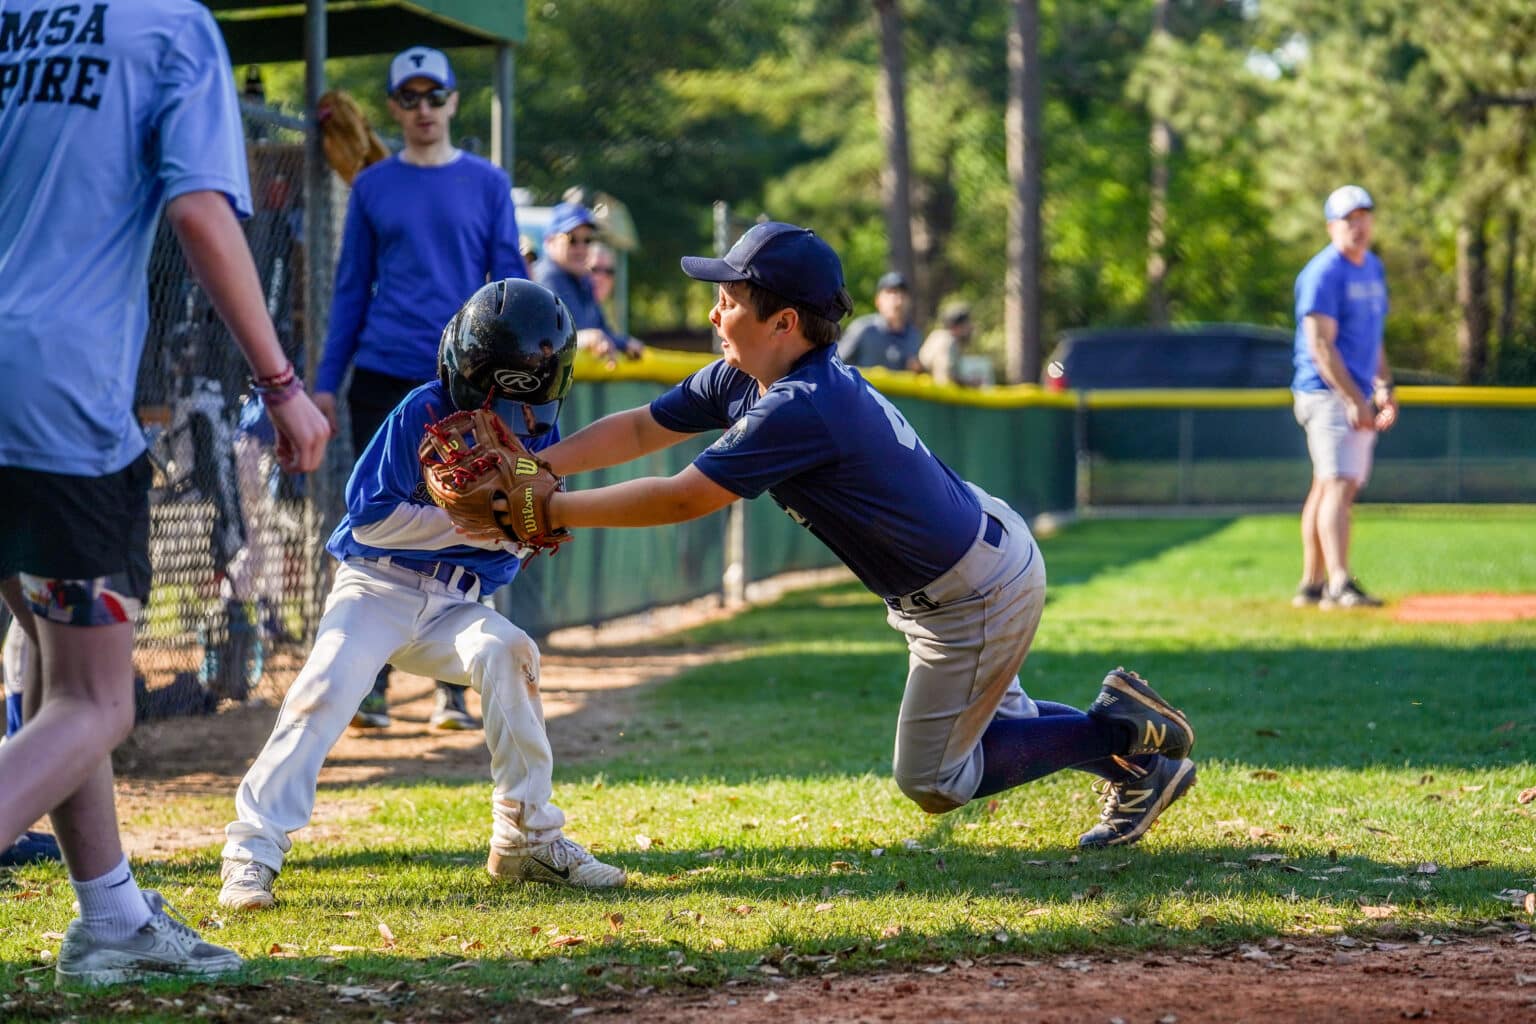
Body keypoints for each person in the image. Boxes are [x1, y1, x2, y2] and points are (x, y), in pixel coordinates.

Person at [537, 222, 1197, 850]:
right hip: (973, 559)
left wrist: (552, 510)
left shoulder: (800, 405)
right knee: (1002, 729)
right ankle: (1141, 769)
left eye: (729, 300)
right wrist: (541, 468)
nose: (714, 314)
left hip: (973, 592)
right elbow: (638, 430)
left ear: (785, 323)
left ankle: (1125, 732)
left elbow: (684, 496)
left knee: (935, 779)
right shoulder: (748, 377)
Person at [0, 0, 330, 985]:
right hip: (54, 396)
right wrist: (282, 385)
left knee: (63, 677)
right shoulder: (171, 28)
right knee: (100, 700)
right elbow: (199, 212)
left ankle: (112, 919)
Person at [218, 280, 625, 911]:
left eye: (524, 403)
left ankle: (528, 837)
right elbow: (368, 518)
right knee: (322, 690)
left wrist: (515, 519)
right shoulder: (422, 409)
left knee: (509, 651)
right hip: (375, 586)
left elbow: (514, 545)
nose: (512, 418)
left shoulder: (541, 429)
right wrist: (475, 516)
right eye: (494, 393)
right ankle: (251, 852)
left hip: (456, 605)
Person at [314, 46, 529, 731]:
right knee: (381, 520)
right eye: (409, 98)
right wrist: (324, 382)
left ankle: (453, 687)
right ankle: (369, 683)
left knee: (468, 508)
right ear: (394, 109)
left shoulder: (487, 182)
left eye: (435, 95)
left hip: (463, 378)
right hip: (383, 369)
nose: (424, 109)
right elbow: (351, 290)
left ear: (455, 101)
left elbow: (508, 277)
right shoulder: (375, 186)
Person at [1291, 185, 1398, 609]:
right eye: (1348, 219)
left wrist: (1384, 386)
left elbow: (1374, 339)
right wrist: (1354, 397)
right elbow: (1320, 347)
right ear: (1331, 226)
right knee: (1339, 484)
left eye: (1363, 216)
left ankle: (1311, 584)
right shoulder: (1323, 273)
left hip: (1354, 390)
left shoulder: (1371, 267)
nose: (1358, 226)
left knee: (1326, 486)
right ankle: (1338, 583)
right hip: (1326, 392)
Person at [533, 202, 644, 362]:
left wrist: (623, 343)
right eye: (572, 240)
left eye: (587, 240)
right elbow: (546, 342)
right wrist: (588, 338)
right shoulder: (544, 279)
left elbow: (601, 330)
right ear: (550, 241)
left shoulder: (581, 279)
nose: (581, 248)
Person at [837, 271, 922, 371]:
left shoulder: (914, 336)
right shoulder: (863, 329)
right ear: (878, 300)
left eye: (902, 295)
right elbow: (836, 363)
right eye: (890, 293)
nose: (898, 301)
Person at [918, 303, 976, 387]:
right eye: (966, 324)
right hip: (931, 395)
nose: (970, 328)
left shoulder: (938, 335)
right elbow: (945, 378)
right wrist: (969, 383)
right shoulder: (947, 341)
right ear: (956, 326)